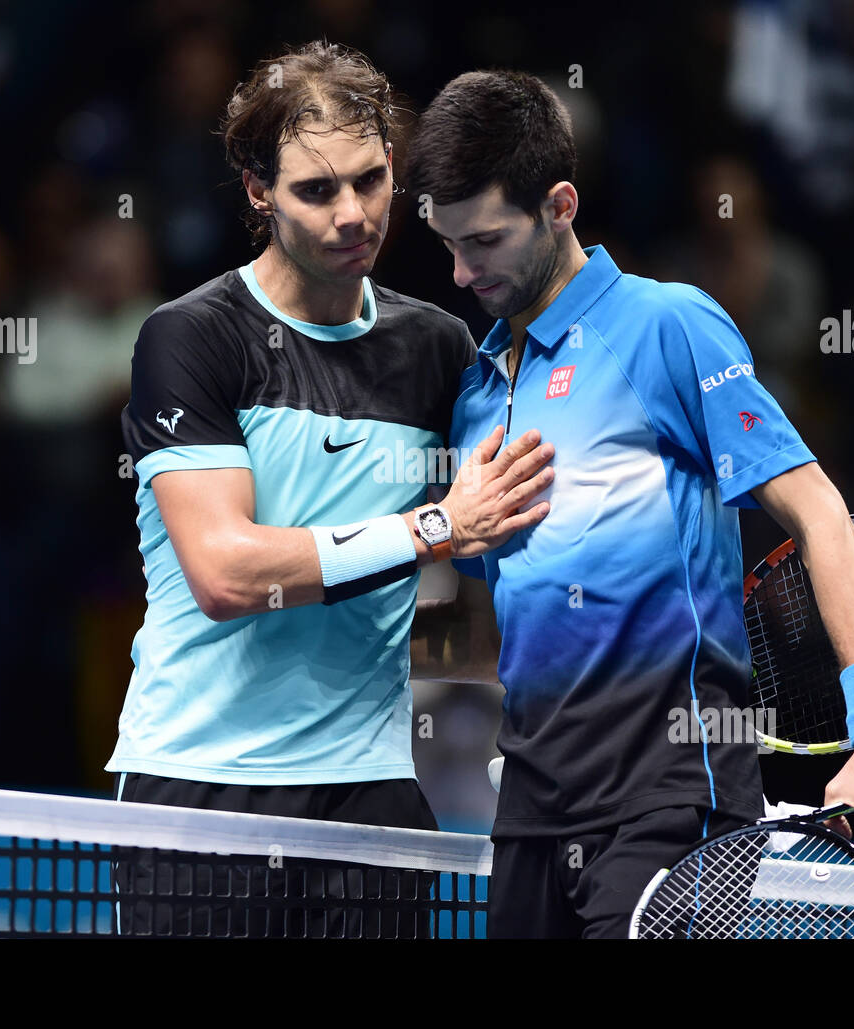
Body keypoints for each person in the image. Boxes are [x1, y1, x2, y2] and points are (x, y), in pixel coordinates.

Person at [405, 70, 854, 939]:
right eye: (448, 245)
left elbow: (821, 514)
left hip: (672, 795)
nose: (462, 273)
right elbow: (504, 619)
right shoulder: (475, 391)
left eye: (487, 241)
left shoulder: (667, 326)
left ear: (561, 205)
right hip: (532, 810)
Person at [105, 43, 554, 936]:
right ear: (257, 192)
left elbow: (501, 546)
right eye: (317, 191)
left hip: (373, 794)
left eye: (372, 179)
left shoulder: (438, 350)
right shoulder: (190, 340)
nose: (354, 215)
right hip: (199, 789)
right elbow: (227, 574)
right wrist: (432, 526)